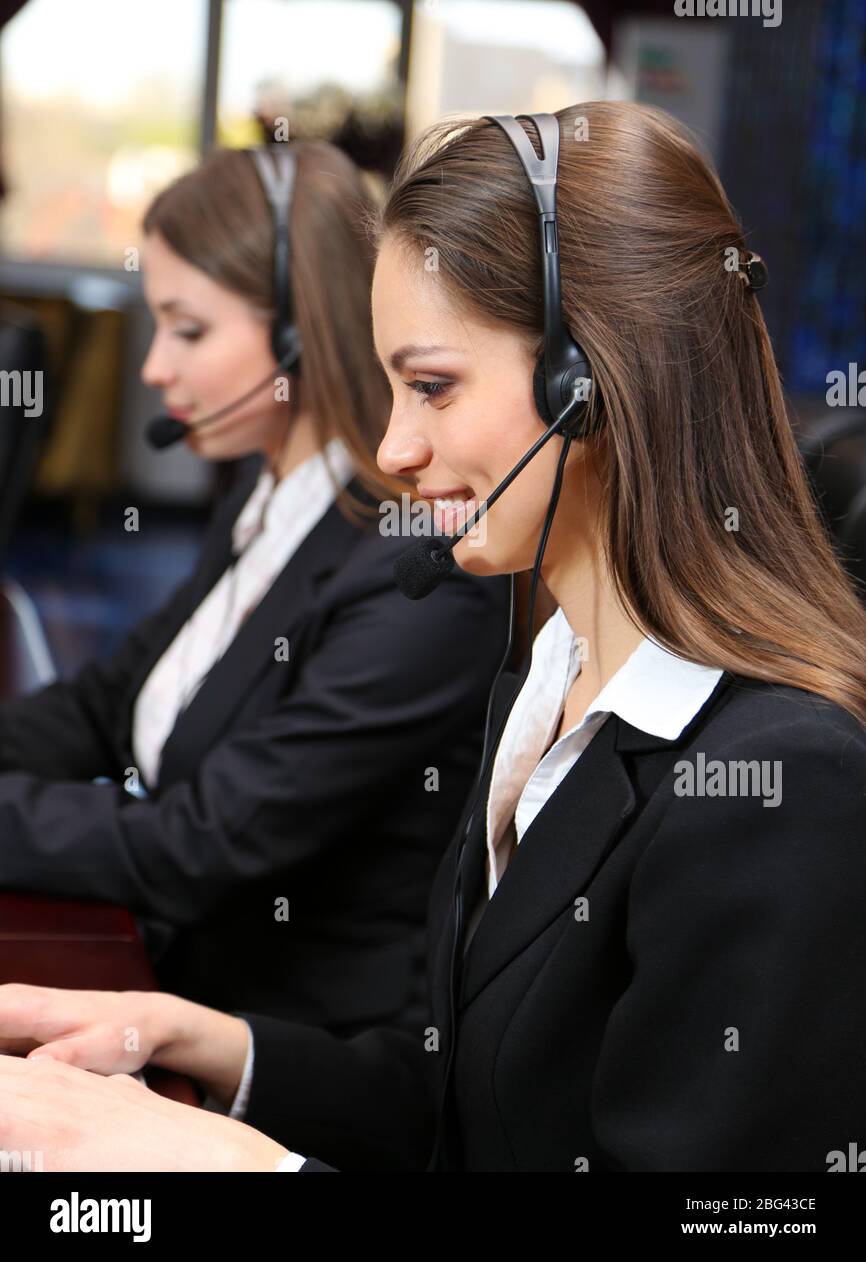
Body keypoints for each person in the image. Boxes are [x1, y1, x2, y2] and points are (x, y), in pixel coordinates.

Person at [1, 101, 865, 1173]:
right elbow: (462, 1103)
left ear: (587, 385)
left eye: (432, 387)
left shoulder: (776, 784)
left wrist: (228, 1166)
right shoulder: (548, 683)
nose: (395, 445)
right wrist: (194, 1039)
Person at [0, 140, 508, 1033]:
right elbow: (110, 700)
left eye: (188, 329)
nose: (157, 369)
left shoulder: (416, 572)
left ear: (295, 335)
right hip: (174, 965)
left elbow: (202, 841)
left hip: (286, 1044)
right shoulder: (270, 494)